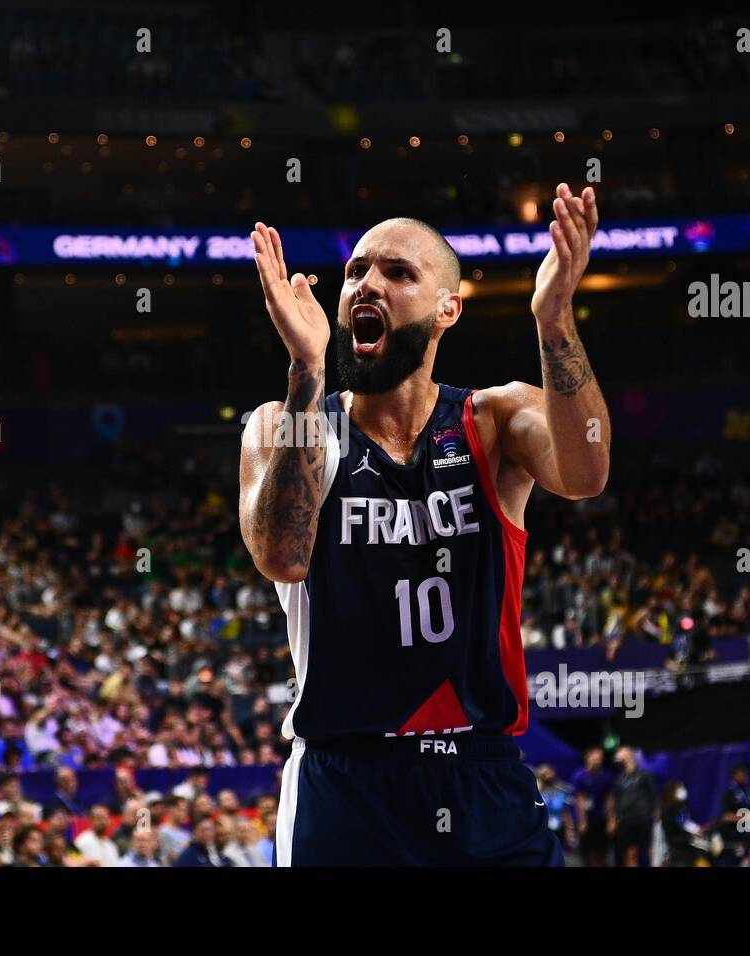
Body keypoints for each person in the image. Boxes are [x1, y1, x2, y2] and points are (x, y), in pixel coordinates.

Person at [241, 187, 607, 866]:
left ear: (448, 309)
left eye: (397, 273)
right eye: (355, 272)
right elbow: (283, 556)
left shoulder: (495, 421)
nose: (365, 285)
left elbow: (585, 474)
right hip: (345, 782)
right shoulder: (288, 424)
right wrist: (305, 373)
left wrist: (554, 318)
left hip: (483, 774)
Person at [610, 747, 658, 867]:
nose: (617, 755)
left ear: (628, 755)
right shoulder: (620, 778)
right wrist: (614, 819)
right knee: (630, 853)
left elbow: (653, 796)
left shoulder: (644, 775)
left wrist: (656, 816)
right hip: (626, 820)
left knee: (650, 850)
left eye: (620, 752)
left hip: (643, 818)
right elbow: (617, 800)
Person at [572, 748, 614, 867]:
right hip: (586, 821)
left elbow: (609, 799)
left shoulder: (607, 776)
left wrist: (611, 820)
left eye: (600, 759)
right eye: (595, 758)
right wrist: (582, 821)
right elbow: (579, 799)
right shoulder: (579, 776)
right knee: (588, 855)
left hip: (600, 820)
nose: (598, 761)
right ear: (588, 758)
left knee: (602, 854)